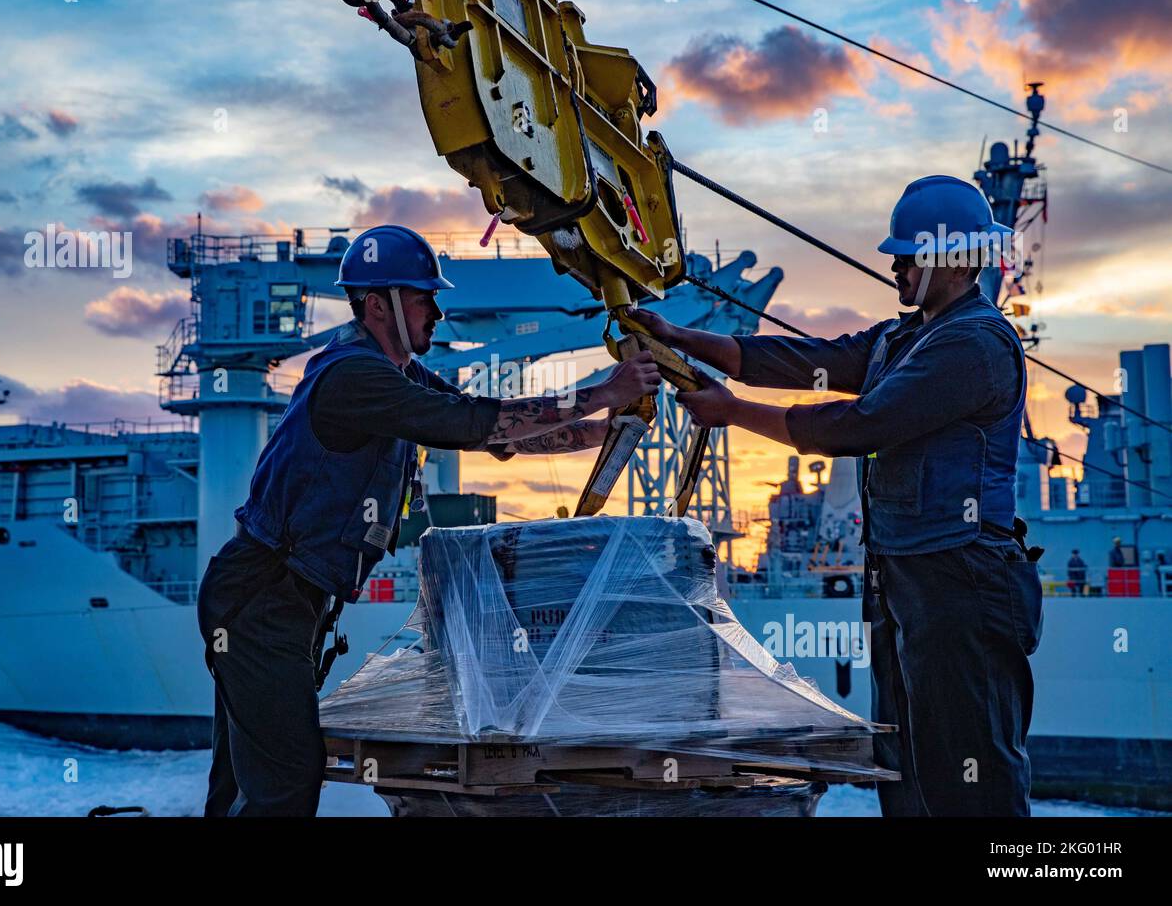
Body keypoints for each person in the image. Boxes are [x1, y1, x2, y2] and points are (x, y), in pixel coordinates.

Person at [196, 224, 661, 816]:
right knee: (287, 774)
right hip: (263, 598)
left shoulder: (394, 376)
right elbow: (474, 423)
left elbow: (490, 430)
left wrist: (601, 431)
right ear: (378, 305)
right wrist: (600, 392)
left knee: (243, 778)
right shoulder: (352, 377)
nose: (437, 312)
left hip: (277, 600)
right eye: (424, 297)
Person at [630, 175, 1043, 816]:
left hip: (962, 582)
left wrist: (734, 412)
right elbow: (813, 359)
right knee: (904, 770)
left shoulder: (974, 346)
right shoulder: (905, 339)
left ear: (948, 260)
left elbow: (861, 425)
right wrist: (688, 340)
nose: (895, 264)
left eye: (907, 253)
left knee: (972, 777)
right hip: (908, 579)